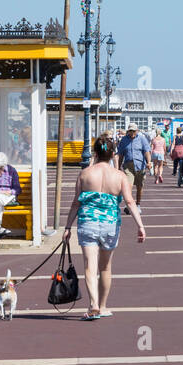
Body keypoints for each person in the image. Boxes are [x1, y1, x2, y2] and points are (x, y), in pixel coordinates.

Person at [63, 135, 146, 320]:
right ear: (112, 154)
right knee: (106, 268)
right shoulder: (120, 176)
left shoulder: (85, 174)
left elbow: (75, 204)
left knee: (89, 266)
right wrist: (140, 226)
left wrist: (68, 227)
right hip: (110, 225)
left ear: (95, 152)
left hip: (88, 223)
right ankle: (103, 306)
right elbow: (130, 202)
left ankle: (92, 304)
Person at [117, 123, 151, 209]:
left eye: (133, 131)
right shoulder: (124, 140)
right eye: (130, 131)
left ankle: (138, 204)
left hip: (140, 166)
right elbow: (121, 154)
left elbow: (146, 151)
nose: (132, 133)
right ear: (128, 131)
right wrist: (118, 167)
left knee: (139, 187)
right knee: (128, 186)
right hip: (128, 166)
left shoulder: (142, 139)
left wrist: (149, 162)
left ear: (137, 131)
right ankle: (129, 204)